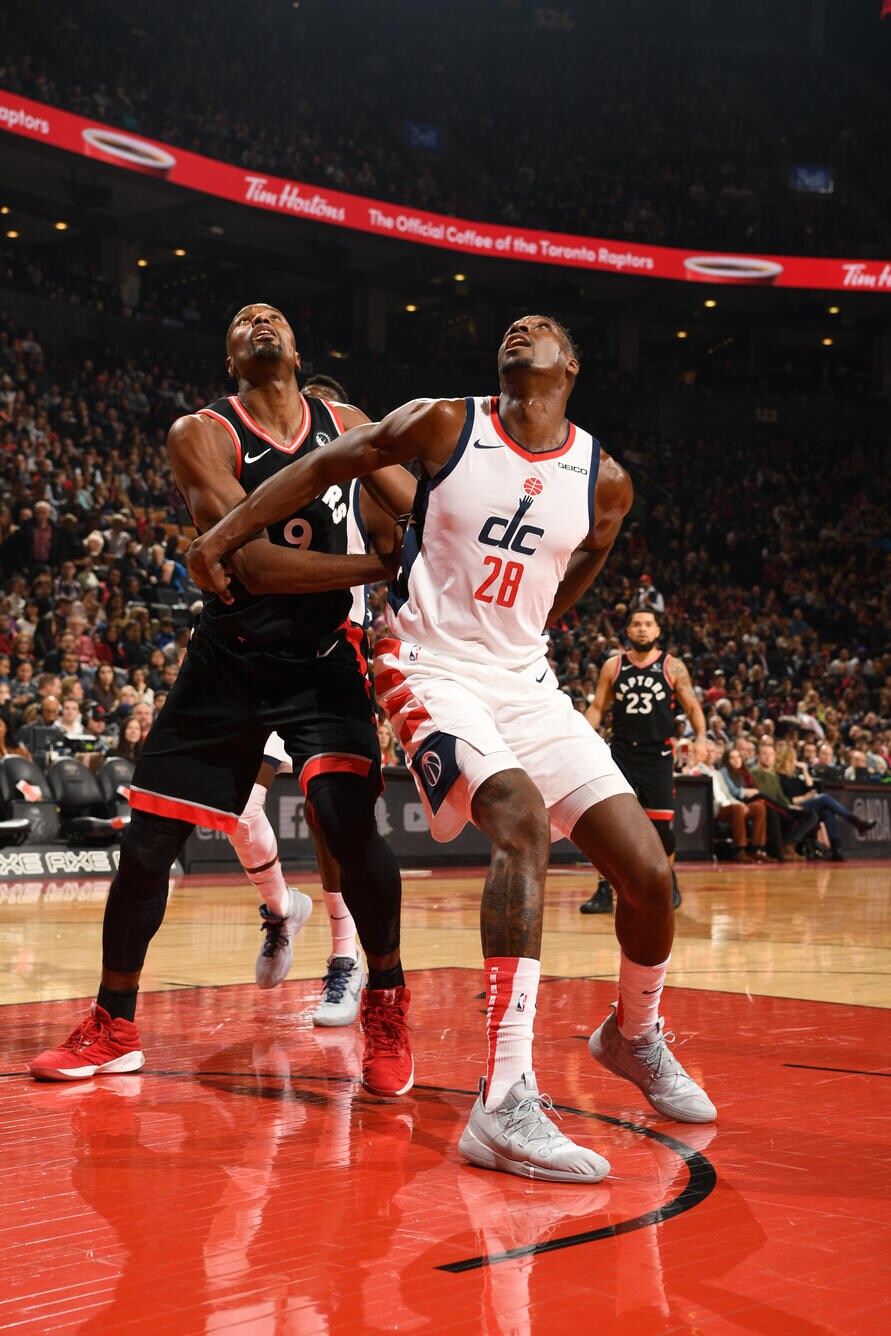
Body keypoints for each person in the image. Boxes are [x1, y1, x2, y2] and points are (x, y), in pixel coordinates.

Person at [188, 312, 717, 1184]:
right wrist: (223, 537)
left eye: (544, 327)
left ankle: (632, 1035)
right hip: (425, 663)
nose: (524, 329)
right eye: (513, 325)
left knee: (649, 874)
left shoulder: (604, 480)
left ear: (572, 365)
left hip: (525, 678)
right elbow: (328, 462)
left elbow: (585, 562)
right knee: (516, 820)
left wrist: (531, 628)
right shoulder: (444, 423)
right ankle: (502, 1099)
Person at [30, 303, 413, 1099]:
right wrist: (375, 571)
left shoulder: (344, 420)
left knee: (351, 831)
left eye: (276, 315)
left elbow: (409, 510)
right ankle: (115, 1023)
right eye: (244, 319)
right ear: (231, 356)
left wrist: (407, 541)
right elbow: (253, 565)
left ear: (299, 345)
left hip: (319, 662)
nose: (262, 320)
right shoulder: (200, 432)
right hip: (227, 662)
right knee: (146, 850)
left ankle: (386, 1001)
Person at [226, 370, 414, 1025]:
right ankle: (281, 909)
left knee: (329, 813)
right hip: (258, 647)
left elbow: (403, 550)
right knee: (229, 807)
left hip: (336, 648)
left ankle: (345, 958)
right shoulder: (265, 476)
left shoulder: (368, 481)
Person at [578, 608, 706, 913]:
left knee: (661, 830)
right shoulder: (614, 665)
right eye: (636, 624)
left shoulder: (672, 667)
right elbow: (597, 706)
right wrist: (582, 735)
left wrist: (701, 737)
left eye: (648, 624)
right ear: (628, 631)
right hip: (621, 752)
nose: (642, 629)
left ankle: (669, 880)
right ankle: (603, 890)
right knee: (609, 827)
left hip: (658, 755)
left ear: (658, 631)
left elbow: (692, 706)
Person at [774, 741, 875, 861]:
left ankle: (836, 851)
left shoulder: (793, 776)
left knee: (827, 811)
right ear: (787, 759)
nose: (795, 761)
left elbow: (810, 787)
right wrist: (805, 798)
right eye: (793, 759)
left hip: (803, 805)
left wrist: (805, 770)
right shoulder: (777, 777)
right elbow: (785, 800)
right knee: (824, 798)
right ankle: (856, 822)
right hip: (790, 807)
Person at [691, 740, 770, 861]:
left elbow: (727, 794)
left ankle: (757, 849)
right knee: (737, 808)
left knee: (758, 807)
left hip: (729, 805)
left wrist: (740, 803)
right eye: (707, 751)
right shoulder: (697, 771)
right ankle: (740, 850)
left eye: (713, 751)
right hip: (714, 808)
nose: (710, 754)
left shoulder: (717, 773)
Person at [748, 739, 819, 861]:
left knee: (811, 815)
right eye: (764, 754)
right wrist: (785, 806)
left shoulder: (773, 775)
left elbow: (781, 796)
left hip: (782, 807)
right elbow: (762, 794)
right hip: (768, 808)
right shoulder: (754, 773)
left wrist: (789, 805)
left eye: (770, 754)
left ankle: (790, 845)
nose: (768, 757)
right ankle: (778, 852)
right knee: (772, 811)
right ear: (758, 756)